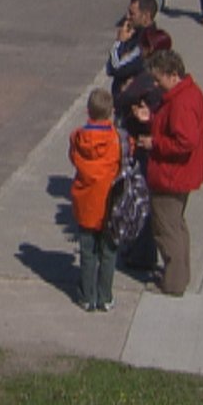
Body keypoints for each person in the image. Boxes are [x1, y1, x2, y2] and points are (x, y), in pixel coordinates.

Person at [133, 49, 203, 297]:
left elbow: (185, 141)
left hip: (170, 175)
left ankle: (173, 283)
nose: (155, 84)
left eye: (158, 79)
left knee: (166, 229)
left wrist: (154, 143)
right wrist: (151, 118)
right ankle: (180, 276)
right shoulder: (187, 94)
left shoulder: (181, 102)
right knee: (177, 225)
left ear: (173, 75)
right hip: (180, 175)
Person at [114, 28, 172, 274]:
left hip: (144, 147)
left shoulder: (147, 79)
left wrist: (121, 44)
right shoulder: (160, 80)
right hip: (146, 144)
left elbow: (121, 95)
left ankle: (140, 253)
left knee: (138, 200)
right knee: (141, 200)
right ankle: (141, 251)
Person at [69, 88, 122, 312]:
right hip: (109, 205)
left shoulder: (78, 138)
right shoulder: (115, 139)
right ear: (111, 112)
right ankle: (105, 296)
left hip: (85, 204)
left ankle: (86, 295)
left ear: (87, 111)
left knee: (87, 252)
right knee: (108, 254)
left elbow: (73, 156)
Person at [105, 0, 159, 97]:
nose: (127, 17)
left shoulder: (145, 43)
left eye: (132, 13)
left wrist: (119, 42)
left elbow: (114, 68)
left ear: (146, 16)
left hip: (131, 101)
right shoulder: (134, 34)